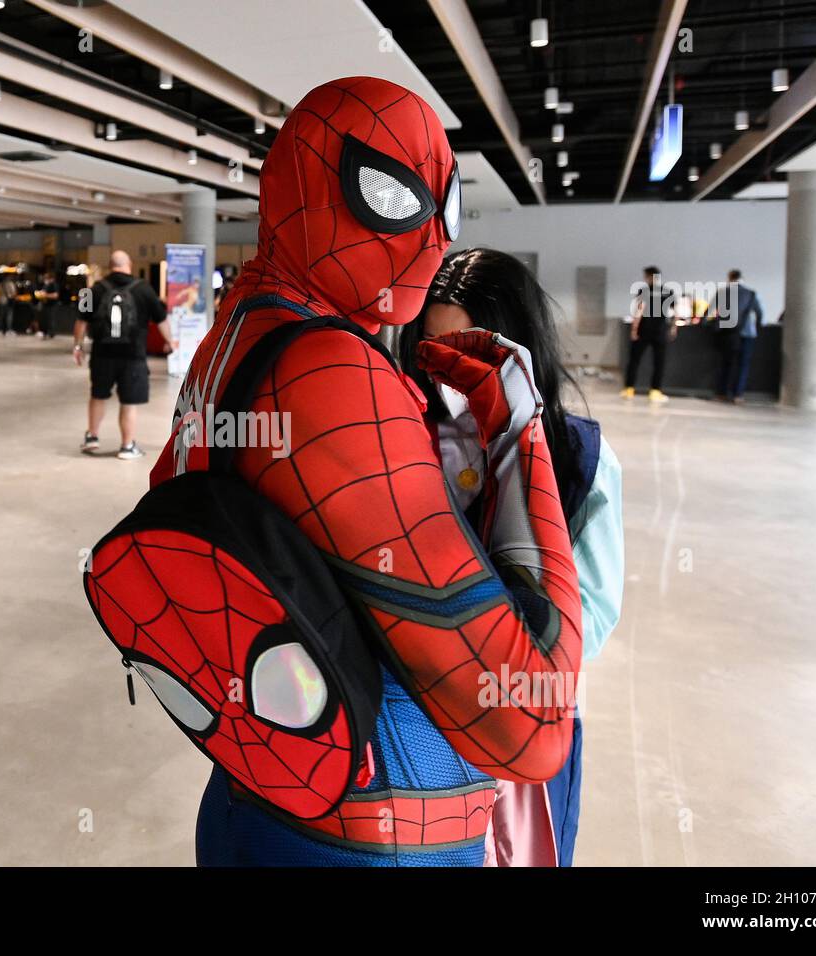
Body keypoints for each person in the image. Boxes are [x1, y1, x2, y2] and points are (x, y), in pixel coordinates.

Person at [139, 77, 582, 866]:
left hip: (260, 791)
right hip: (373, 833)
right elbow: (528, 717)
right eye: (391, 193)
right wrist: (520, 432)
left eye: (446, 207)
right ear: (301, 183)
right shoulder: (330, 371)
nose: (434, 241)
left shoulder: (234, 336)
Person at [400, 249, 625, 866]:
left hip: (521, 721)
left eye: (468, 352)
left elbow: (595, 614)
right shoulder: (400, 438)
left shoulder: (581, 457)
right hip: (415, 723)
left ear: (514, 344)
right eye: (431, 349)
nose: (450, 377)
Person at [73, 250, 170, 460]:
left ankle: (92, 436)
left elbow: (81, 320)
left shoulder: (92, 290)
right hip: (133, 355)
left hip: (102, 354)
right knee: (129, 402)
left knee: (98, 394)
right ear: (130, 265)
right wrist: (170, 342)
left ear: (110, 266)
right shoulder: (144, 288)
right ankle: (127, 446)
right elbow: (161, 318)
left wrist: (78, 346)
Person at [622, 265, 674, 403]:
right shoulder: (668, 291)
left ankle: (629, 389)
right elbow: (676, 311)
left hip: (643, 331)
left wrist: (634, 330)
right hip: (660, 331)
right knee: (659, 363)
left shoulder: (643, 291)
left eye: (645, 276)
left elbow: (639, 311)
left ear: (650, 276)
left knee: (634, 360)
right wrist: (673, 328)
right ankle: (655, 392)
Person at [711, 269, 764, 404]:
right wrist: (757, 327)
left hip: (728, 333)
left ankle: (722, 392)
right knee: (743, 365)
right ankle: (738, 394)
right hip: (747, 333)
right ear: (742, 278)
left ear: (729, 278)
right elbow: (759, 313)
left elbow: (710, 310)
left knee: (726, 363)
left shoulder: (723, 292)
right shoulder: (751, 294)